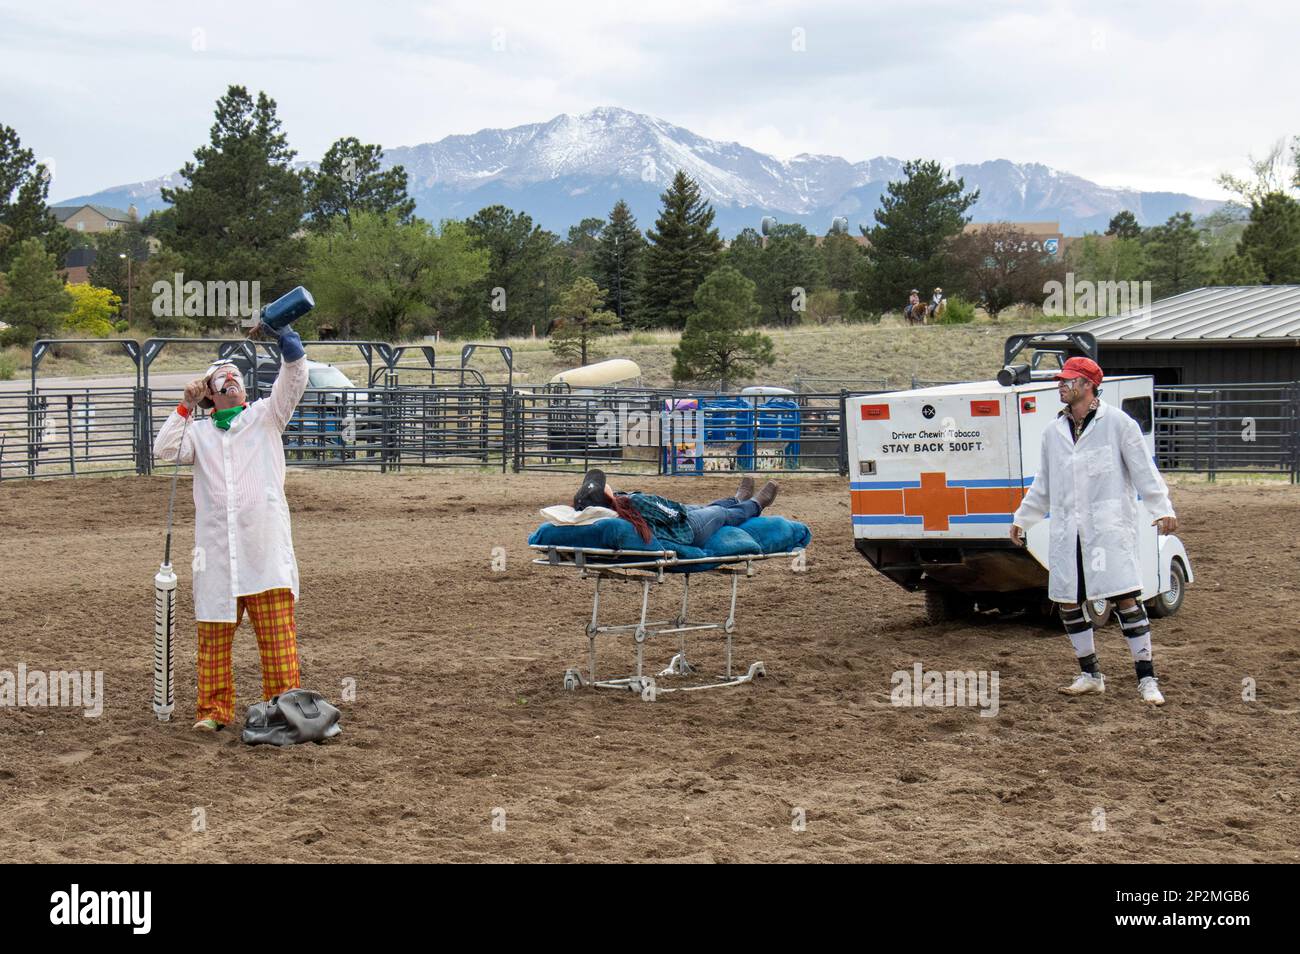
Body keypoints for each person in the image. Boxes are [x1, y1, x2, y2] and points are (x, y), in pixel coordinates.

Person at [154, 323, 310, 731]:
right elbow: (165, 449)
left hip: (264, 550)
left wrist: (286, 338)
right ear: (210, 394)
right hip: (216, 556)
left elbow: (294, 378)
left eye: (236, 376)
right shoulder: (199, 433)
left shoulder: (265, 416)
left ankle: (284, 708)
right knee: (213, 642)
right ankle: (212, 712)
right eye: (221, 377)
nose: (231, 379)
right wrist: (184, 406)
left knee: (277, 640)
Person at [1010, 356, 1177, 706]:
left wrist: (1162, 508)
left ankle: (1147, 679)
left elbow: (1143, 470)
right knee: (1069, 602)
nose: (1061, 385)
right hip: (1068, 532)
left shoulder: (1118, 424)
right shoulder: (1053, 431)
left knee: (1124, 598)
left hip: (1107, 531)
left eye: (1068, 380)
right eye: (1061, 380)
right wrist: (1023, 518)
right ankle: (1090, 674)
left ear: (1087, 385)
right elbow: (1044, 484)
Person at [572, 469, 779, 548]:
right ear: (607, 495)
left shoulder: (617, 509)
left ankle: (737, 499)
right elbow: (673, 514)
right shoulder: (633, 502)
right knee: (718, 513)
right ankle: (756, 504)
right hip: (685, 530)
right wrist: (682, 509)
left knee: (704, 508)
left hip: (672, 527)